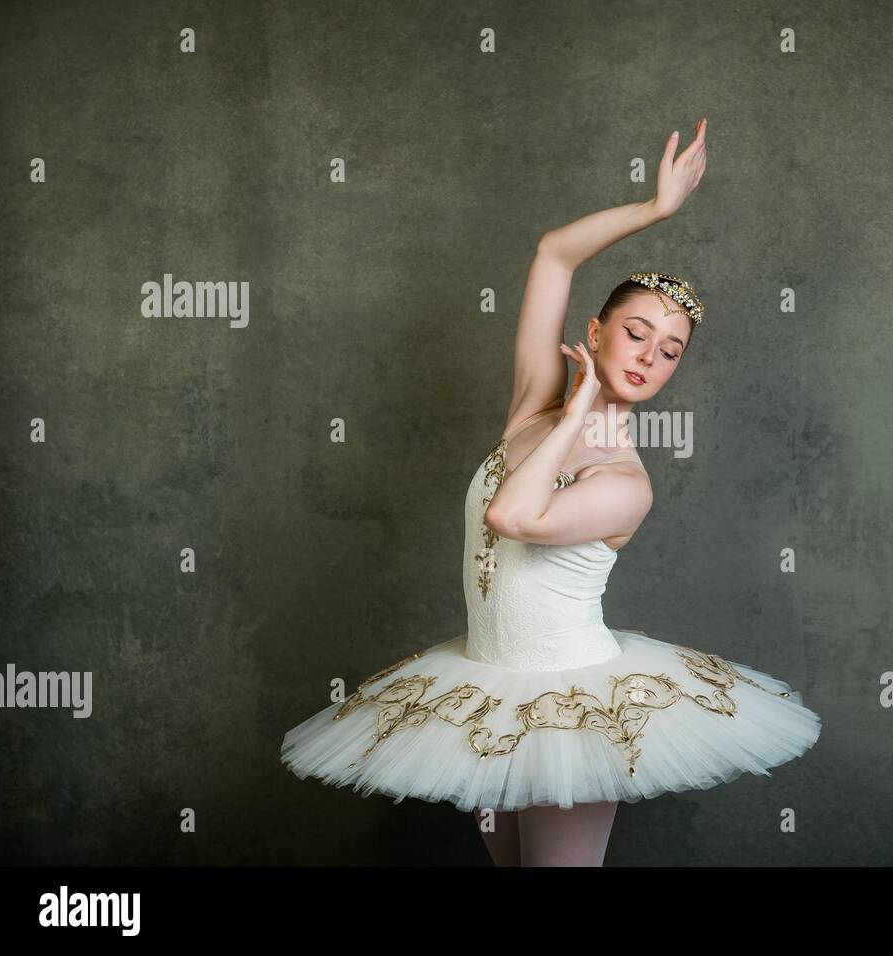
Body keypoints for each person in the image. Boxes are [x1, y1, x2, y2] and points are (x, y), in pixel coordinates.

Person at [280, 117, 822, 866]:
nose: (649, 358)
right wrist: (656, 209)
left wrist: (575, 420)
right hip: (484, 691)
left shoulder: (626, 483)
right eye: (635, 334)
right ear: (593, 333)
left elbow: (512, 515)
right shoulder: (533, 409)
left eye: (669, 352)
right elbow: (553, 253)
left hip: (574, 711)